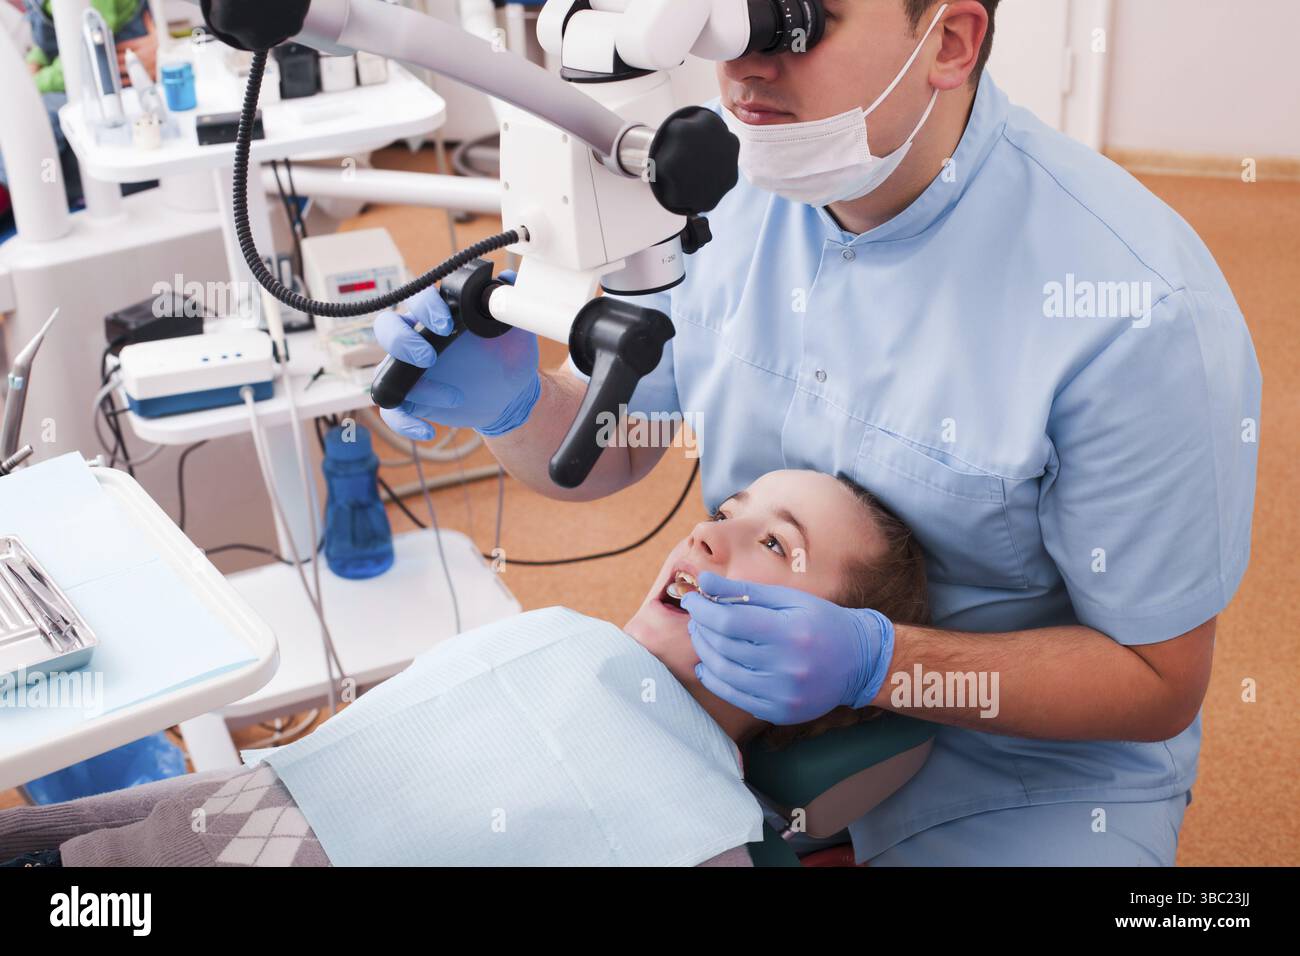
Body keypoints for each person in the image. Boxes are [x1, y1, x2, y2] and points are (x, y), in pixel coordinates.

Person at [374, 0, 1262, 865]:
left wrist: (881, 668)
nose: (745, 64)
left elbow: (1157, 683)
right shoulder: (713, 197)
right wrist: (517, 405)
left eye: (797, 20)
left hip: (1022, 773)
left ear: (949, 40)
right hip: (740, 712)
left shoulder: (1135, 311)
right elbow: (619, 439)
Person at [0, 469, 929, 867]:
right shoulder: (545, 638)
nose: (708, 529)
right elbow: (276, 784)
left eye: (774, 540)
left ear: (821, 669)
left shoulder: (700, 837)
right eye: (730, 504)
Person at [0, 1, 158, 207]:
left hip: (105, 77)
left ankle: (43, 204)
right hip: (68, 75)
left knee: (32, 122)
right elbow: (47, 37)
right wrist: (34, 62)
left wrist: (30, 83)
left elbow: (85, 48)